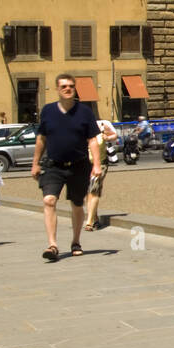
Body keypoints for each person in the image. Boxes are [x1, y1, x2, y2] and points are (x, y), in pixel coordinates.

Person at [31, 73, 102, 261]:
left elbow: (93, 139)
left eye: (71, 86)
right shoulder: (48, 111)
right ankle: (52, 245)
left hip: (78, 166)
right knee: (49, 200)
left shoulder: (85, 111)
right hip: (54, 165)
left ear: (75, 88)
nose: (68, 89)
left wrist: (96, 164)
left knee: (77, 204)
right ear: (57, 89)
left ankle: (76, 241)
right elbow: (41, 139)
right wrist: (35, 163)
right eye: (64, 86)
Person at [84, 116, 121, 231]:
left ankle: (89, 221)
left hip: (101, 164)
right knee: (88, 192)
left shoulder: (102, 126)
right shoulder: (82, 129)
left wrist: (107, 137)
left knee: (93, 189)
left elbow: (114, 135)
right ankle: (95, 219)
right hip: (86, 164)